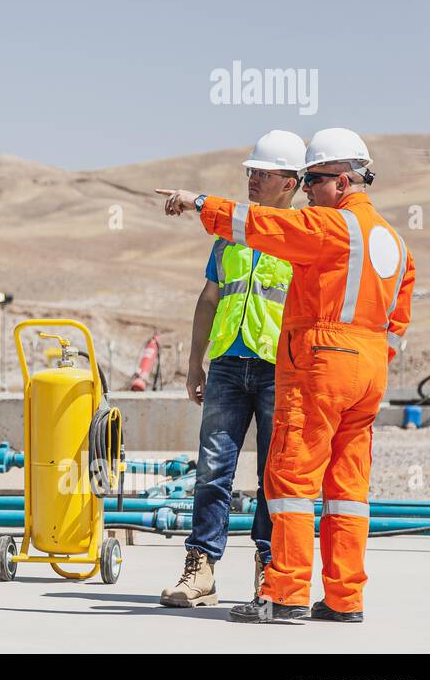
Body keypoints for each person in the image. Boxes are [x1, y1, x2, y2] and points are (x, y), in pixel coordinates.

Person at [156, 127, 414, 624]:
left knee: (290, 479)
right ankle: (344, 600)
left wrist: (198, 202)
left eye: (314, 179)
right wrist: (374, 354)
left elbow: (259, 226)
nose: (308, 189)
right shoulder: (393, 241)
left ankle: (286, 593)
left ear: (341, 181)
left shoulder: (330, 226)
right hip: (367, 374)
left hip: (322, 366)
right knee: (346, 489)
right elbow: (398, 314)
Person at [160, 131, 304, 610]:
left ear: (291, 182)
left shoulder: (305, 236)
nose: (253, 180)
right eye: (250, 172)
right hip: (226, 366)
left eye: (262, 174)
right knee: (212, 471)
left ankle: (270, 571)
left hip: (278, 370)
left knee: (274, 475)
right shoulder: (231, 234)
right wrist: (193, 364)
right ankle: (200, 570)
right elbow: (209, 298)